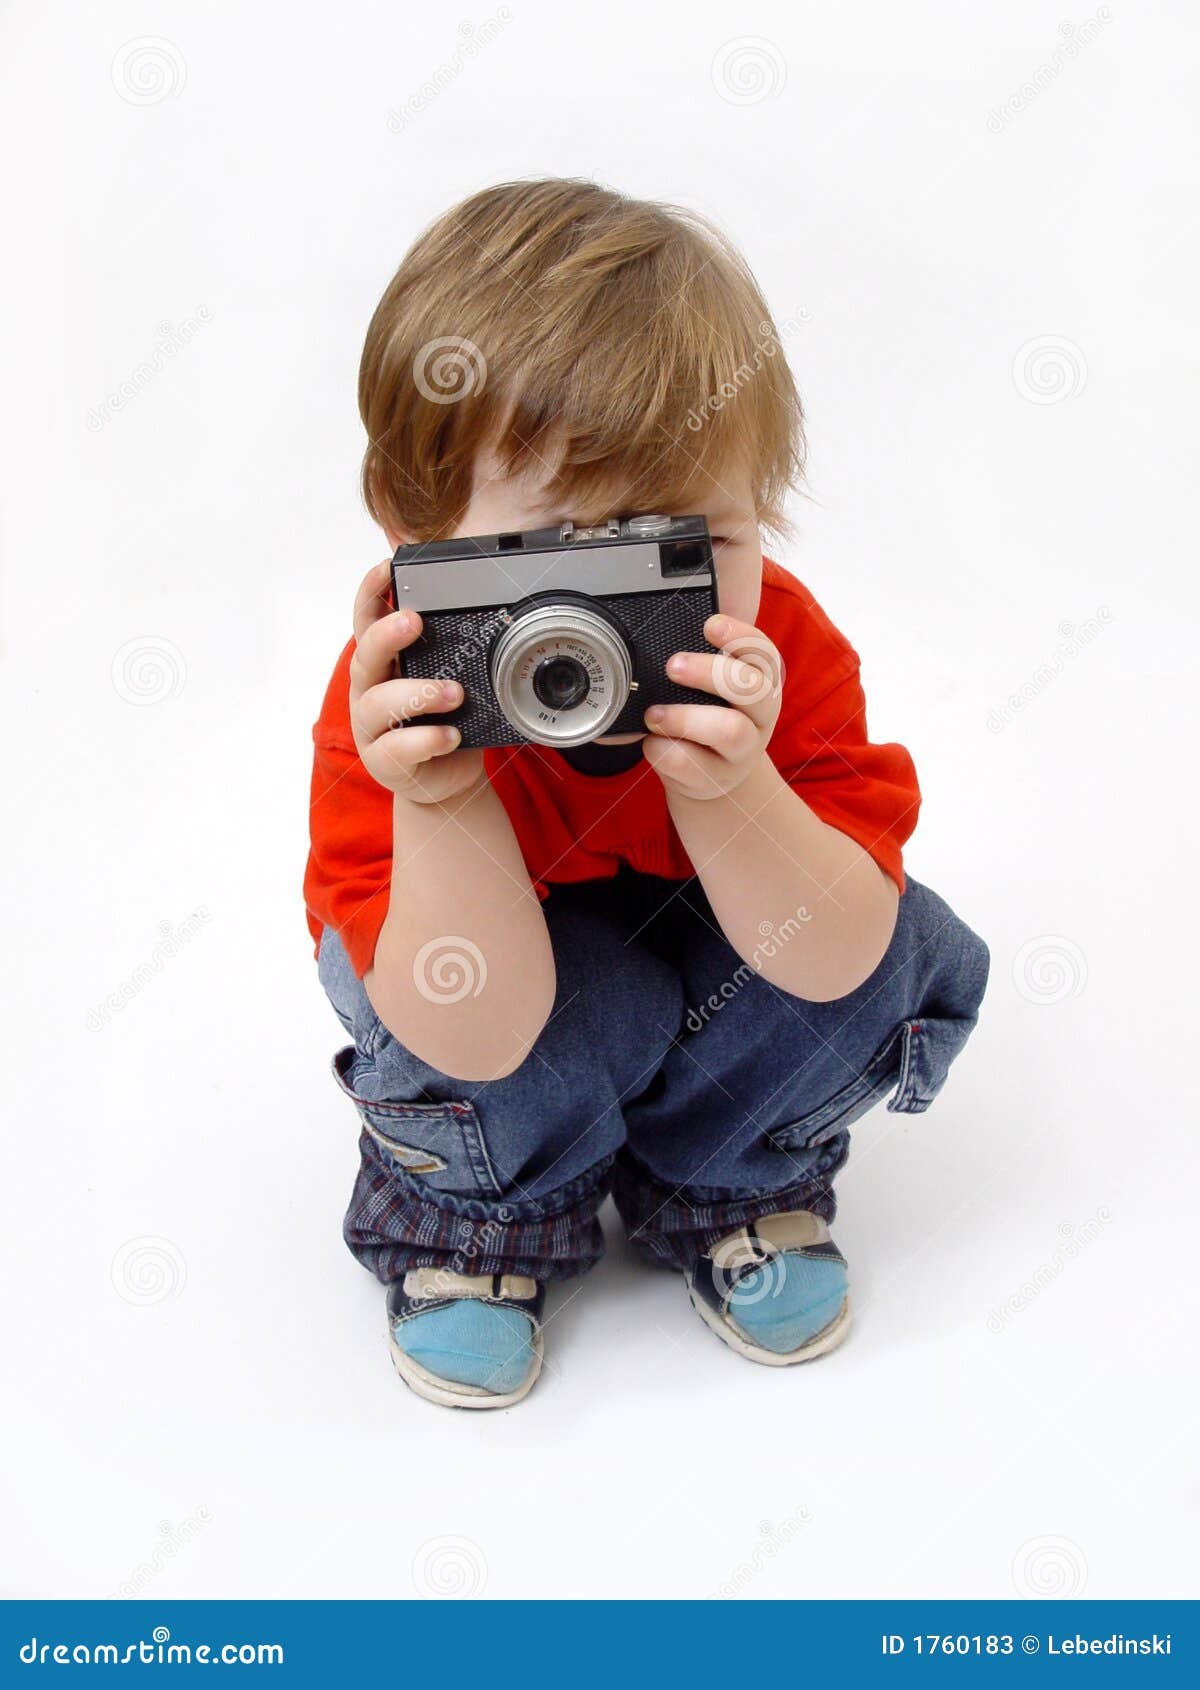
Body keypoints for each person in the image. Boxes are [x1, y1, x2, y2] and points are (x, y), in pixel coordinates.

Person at [303, 178, 990, 1409]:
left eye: (686, 547)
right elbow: (470, 1025)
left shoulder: (775, 649)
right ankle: (483, 1217)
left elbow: (839, 961)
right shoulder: (405, 706)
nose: (618, 613)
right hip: (502, 997)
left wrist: (736, 795)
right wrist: (447, 799)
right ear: (419, 538)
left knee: (903, 933)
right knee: (531, 995)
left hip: (712, 954)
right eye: (565, 549)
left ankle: (728, 1174)